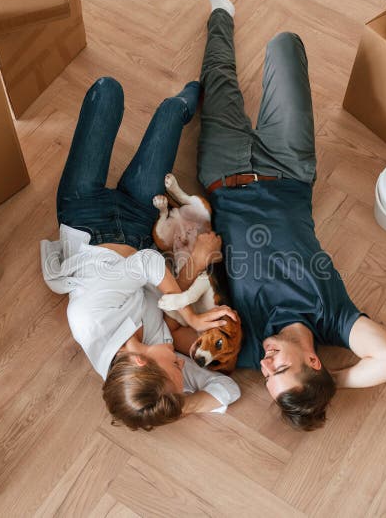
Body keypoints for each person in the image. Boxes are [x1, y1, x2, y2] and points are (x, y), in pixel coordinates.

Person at [197, 0, 386, 430]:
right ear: (313, 359)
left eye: (266, 377)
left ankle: (221, 11)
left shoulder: (248, 344)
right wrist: (333, 381)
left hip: (224, 176)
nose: (266, 366)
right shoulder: (333, 316)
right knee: (285, 44)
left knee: (218, 74)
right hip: (288, 170)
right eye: (281, 370)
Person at [40, 76, 240, 430]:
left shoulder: (89, 320)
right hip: (136, 223)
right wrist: (181, 406)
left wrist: (191, 318)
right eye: (183, 374)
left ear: (141, 364)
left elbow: (146, 265)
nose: (183, 364)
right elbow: (227, 389)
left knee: (107, 90)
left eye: (175, 368)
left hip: (85, 215)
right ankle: (199, 88)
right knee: (169, 113)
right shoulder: (158, 357)